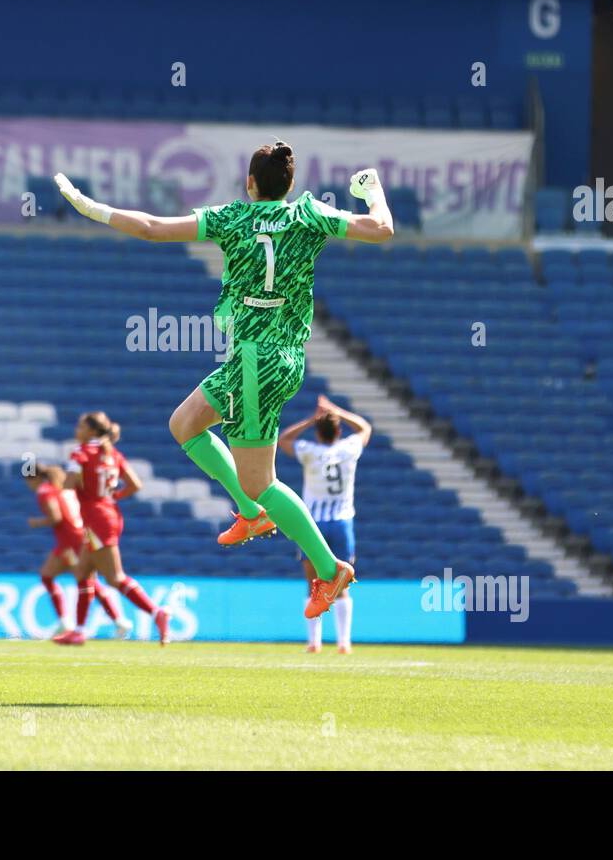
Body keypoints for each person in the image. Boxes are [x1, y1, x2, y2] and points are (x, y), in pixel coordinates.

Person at [54, 141, 393, 618]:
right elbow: (381, 229)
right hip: (270, 359)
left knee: (261, 483)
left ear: (250, 184)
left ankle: (328, 567)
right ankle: (252, 515)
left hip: (256, 362)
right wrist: (372, 189)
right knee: (185, 424)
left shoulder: (232, 218)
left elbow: (152, 228)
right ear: (290, 186)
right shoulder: (311, 214)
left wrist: (93, 209)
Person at [55, 412, 170, 645]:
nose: (76, 431)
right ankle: (78, 631)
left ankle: (157, 612)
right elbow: (135, 484)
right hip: (109, 514)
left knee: (115, 577)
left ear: (91, 432)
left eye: (80, 427)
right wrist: (112, 496)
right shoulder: (112, 453)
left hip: (96, 519)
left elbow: (68, 486)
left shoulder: (81, 454)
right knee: (83, 572)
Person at [279, 394, 371, 653]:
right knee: (340, 583)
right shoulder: (348, 449)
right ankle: (344, 642)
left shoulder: (310, 452)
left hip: (313, 525)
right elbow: (365, 428)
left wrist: (310, 420)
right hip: (342, 523)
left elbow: (284, 439)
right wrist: (337, 411)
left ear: (318, 433)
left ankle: (314, 642)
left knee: (314, 584)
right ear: (339, 430)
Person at [24, 463, 132, 639]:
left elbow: (56, 517)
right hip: (71, 538)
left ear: (33, 478)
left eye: (28, 481)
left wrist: (37, 522)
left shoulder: (44, 491)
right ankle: (65, 621)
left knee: (87, 582)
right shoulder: (60, 487)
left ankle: (119, 620)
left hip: (71, 540)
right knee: (47, 575)